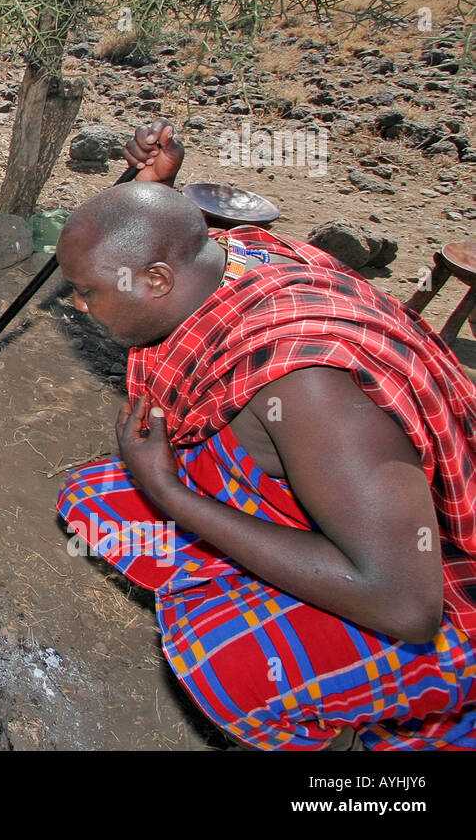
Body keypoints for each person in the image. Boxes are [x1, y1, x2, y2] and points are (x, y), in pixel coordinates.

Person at [54, 119, 476, 750]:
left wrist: (171, 495)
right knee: (92, 501)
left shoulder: (310, 386)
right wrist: (158, 189)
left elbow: (405, 607)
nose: (80, 306)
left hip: (425, 581)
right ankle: (265, 575)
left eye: (89, 292)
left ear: (159, 281)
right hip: (338, 508)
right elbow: (177, 233)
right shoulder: (241, 256)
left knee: (220, 660)